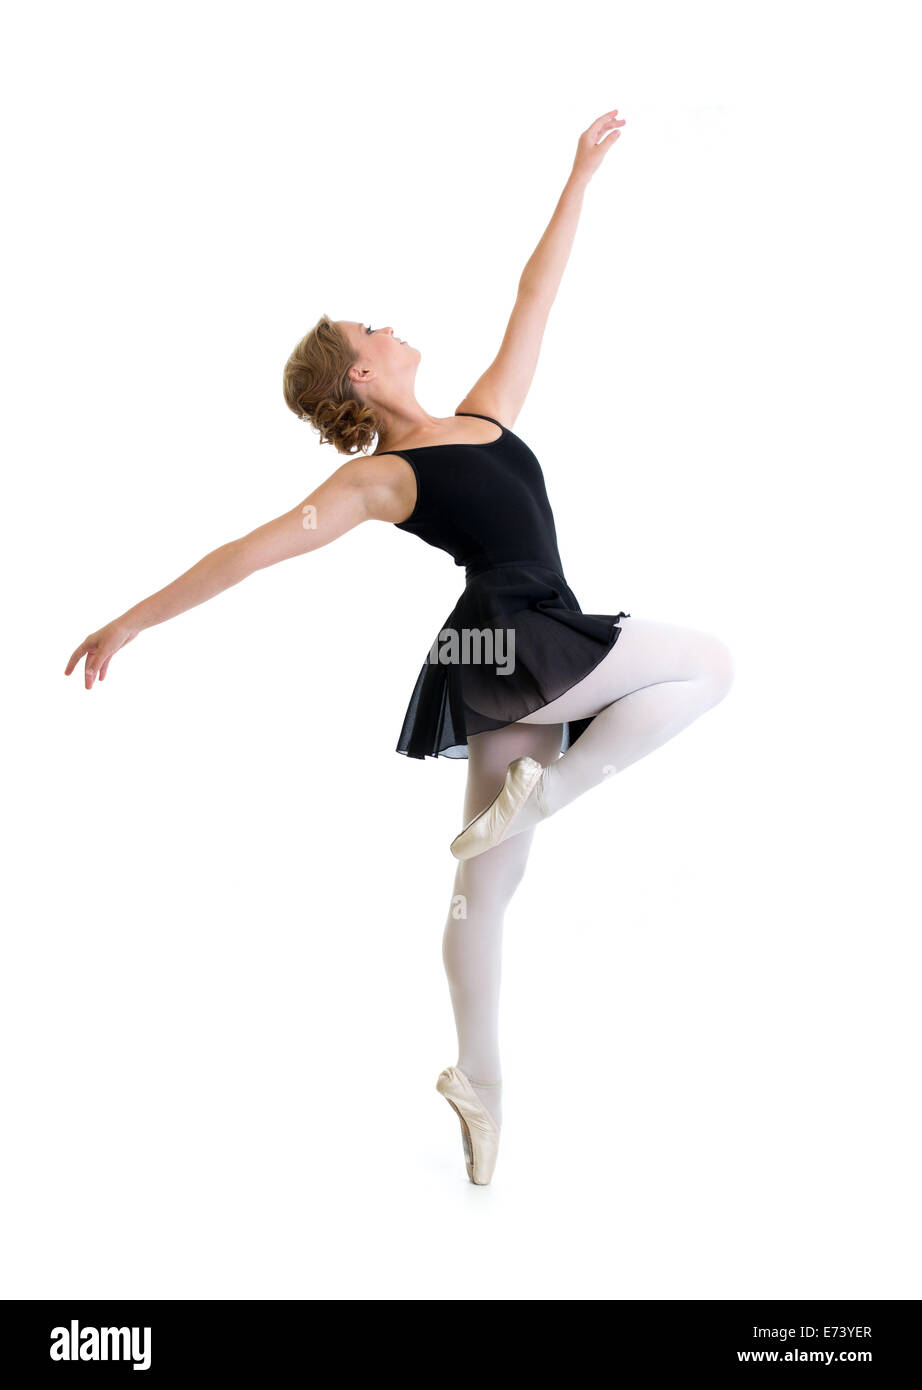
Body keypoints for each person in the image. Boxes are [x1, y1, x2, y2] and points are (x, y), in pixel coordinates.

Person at [64, 109, 733, 1187]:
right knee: (707, 663)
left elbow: (535, 296)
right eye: (371, 330)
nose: (389, 325)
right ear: (360, 379)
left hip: (509, 644)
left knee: (484, 886)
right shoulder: (376, 479)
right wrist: (131, 619)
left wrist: (579, 175)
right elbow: (247, 553)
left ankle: (479, 1081)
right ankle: (549, 798)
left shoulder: (486, 412)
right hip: (514, 633)